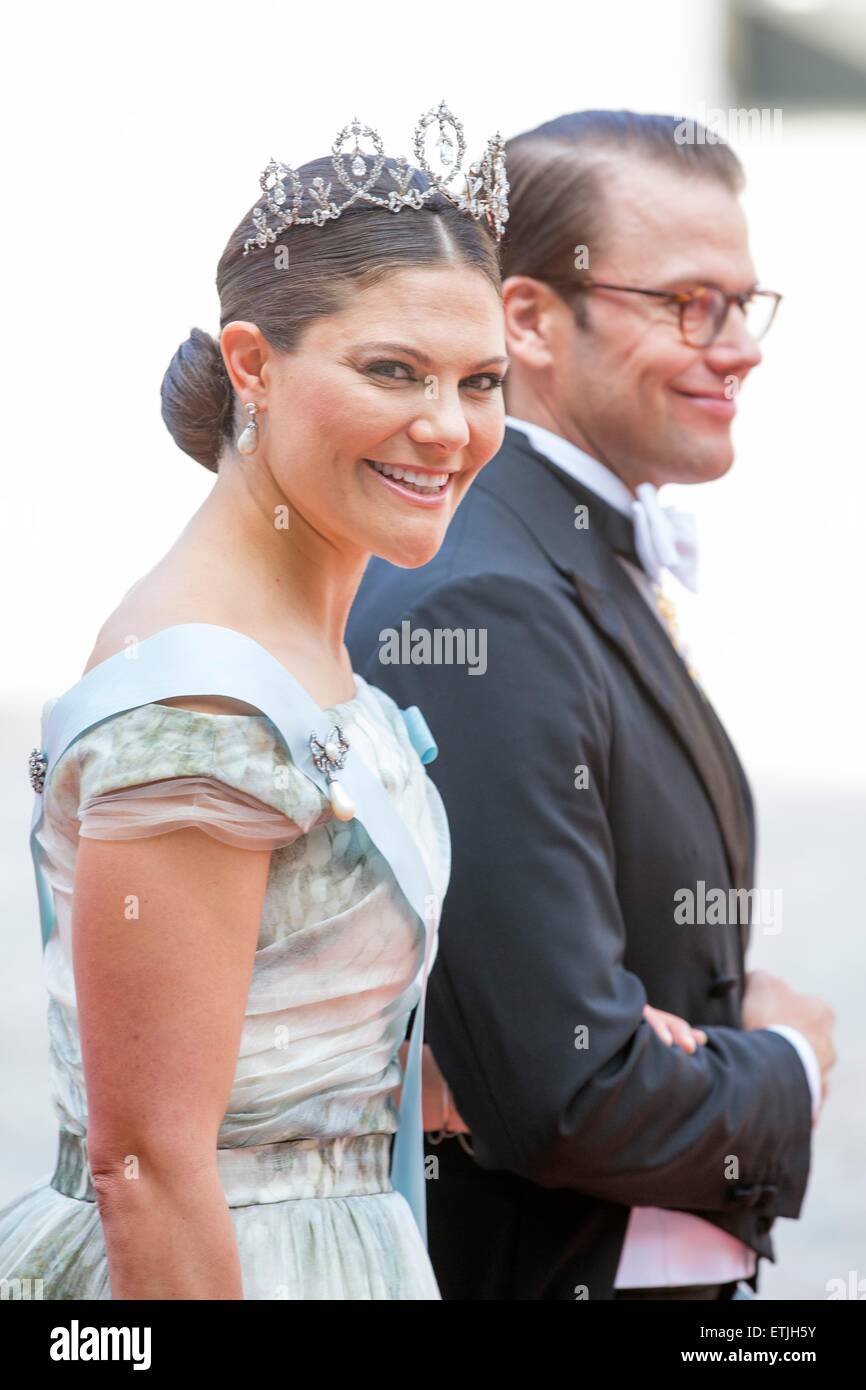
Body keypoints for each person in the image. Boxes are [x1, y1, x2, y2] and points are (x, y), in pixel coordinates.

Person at [0, 104, 510, 1300]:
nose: (446, 426)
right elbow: (149, 1166)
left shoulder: (290, 638)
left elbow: (272, 1018)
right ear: (251, 365)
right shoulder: (201, 701)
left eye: (479, 380)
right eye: (392, 370)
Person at [346, 109, 837, 1301]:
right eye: (684, 303)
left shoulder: (549, 548)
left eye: (742, 302)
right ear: (526, 319)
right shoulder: (485, 599)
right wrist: (785, 1064)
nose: (737, 345)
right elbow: (565, 1093)